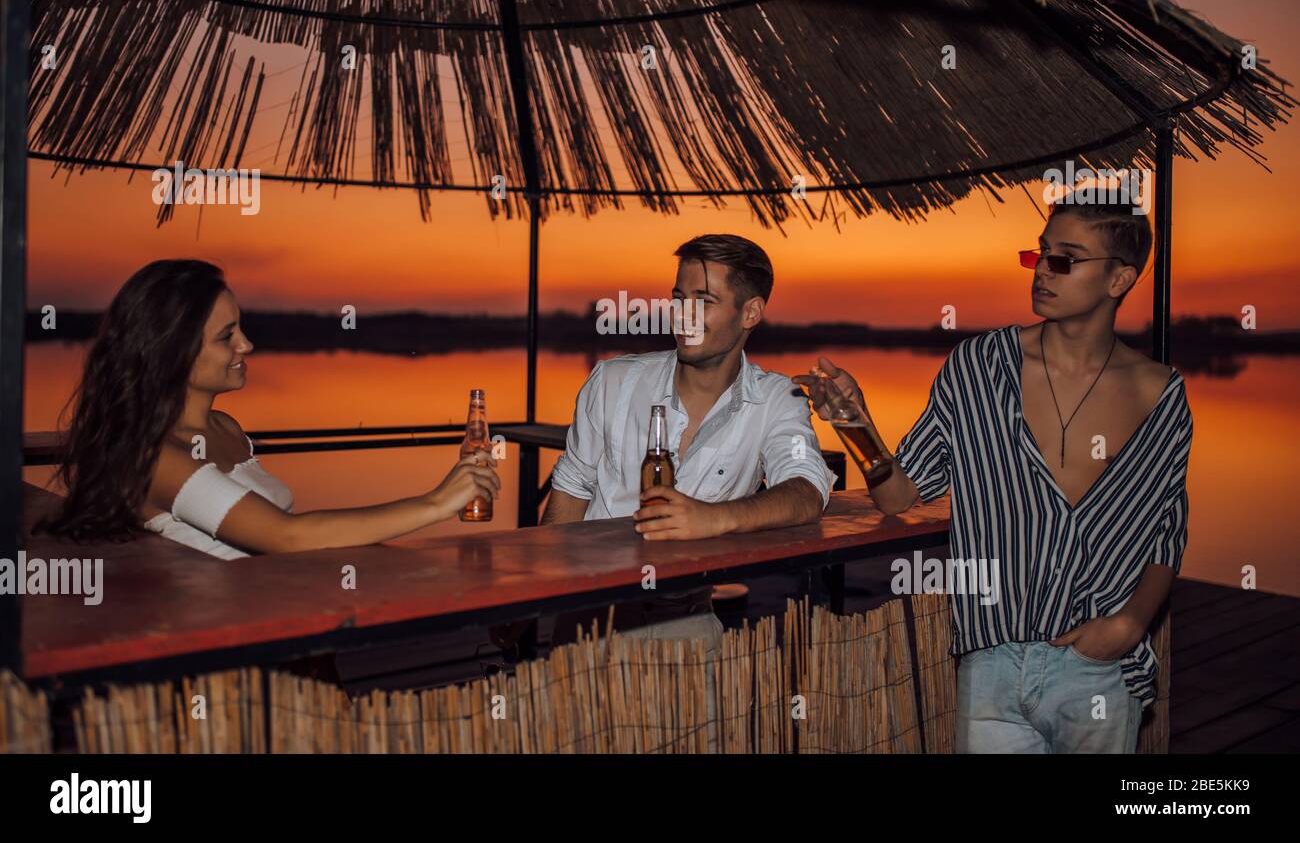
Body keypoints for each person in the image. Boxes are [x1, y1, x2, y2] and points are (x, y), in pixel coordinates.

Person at [796, 202, 1191, 754]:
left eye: (1064, 260)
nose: (1042, 270)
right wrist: (854, 423)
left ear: (1120, 277)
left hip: (1099, 667)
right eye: (1039, 254)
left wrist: (1130, 625)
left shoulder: (1159, 392)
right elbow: (899, 495)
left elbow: (1167, 529)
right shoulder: (979, 367)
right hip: (992, 659)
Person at [538, 234, 837, 745]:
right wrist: (526, 607)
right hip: (584, 628)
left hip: (686, 624)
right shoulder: (612, 381)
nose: (684, 315)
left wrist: (713, 518)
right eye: (678, 298)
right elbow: (567, 495)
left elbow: (807, 488)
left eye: (704, 300)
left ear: (751, 312)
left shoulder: (777, 400)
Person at [41, 259, 500, 559]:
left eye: (241, 328)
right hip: (224, 652)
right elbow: (286, 537)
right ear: (171, 349)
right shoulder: (156, 459)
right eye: (227, 337)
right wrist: (437, 502)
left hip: (274, 614)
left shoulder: (227, 428)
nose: (247, 344)